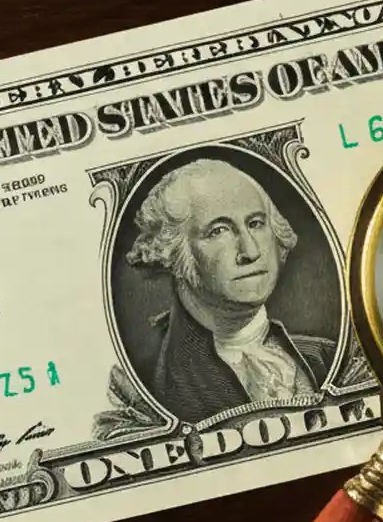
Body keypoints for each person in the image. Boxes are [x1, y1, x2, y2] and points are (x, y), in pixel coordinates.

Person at [125, 158, 336, 424]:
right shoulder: (146, 386)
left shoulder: (326, 356)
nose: (250, 251)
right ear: (172, 252)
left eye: (256, 223)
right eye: (219, 231)